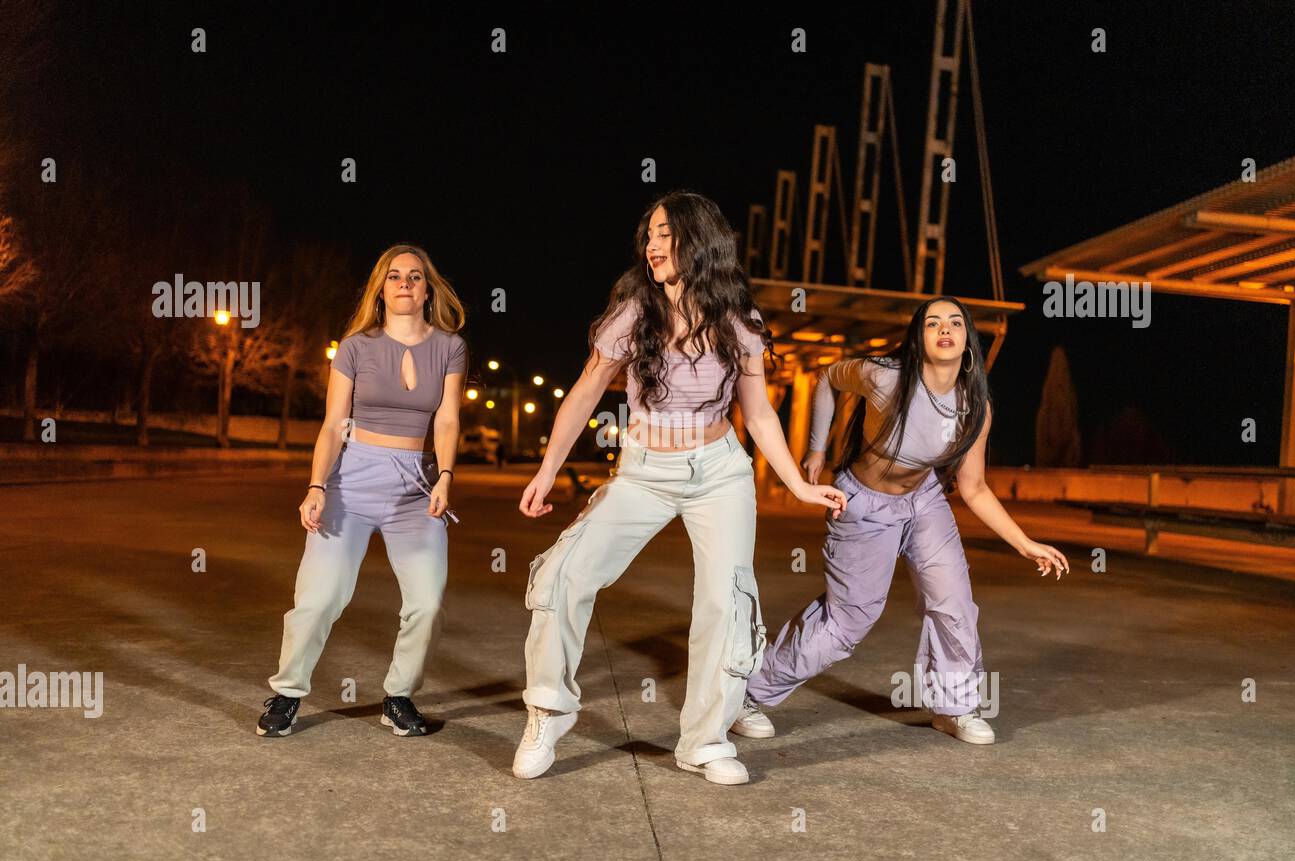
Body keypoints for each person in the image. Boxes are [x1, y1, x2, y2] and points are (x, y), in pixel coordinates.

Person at [512, 191, 846, 785]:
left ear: (700, 241)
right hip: (644, 470)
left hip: (718, 470)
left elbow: (760, 414)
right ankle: (548, 710)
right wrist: (546, 470)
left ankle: (704, 740)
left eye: (666, 233)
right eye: (649, 234)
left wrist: (795, 482)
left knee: (726, 599)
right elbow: (585, 393)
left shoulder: (738, 321)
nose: (653, 244)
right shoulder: (631, 314)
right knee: (564, 575)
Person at [733, 295, 1068, 745]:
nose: (944, 329)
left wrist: (1025, 543)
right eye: (932, 323)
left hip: (925, 502)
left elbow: (974, 488)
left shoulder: (976, 406)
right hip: (864, 506)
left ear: (967, 341)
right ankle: (749, 695)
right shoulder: (884, 377)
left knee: (954, 604)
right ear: (918, 339)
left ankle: (955, 708)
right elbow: (827, 377)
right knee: (848, 621)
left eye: (955, 322)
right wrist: (816, 447)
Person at [257, 244, 467, 738]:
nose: (405, 284)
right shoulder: (355, 347)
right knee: (320, 596)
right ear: (381, 286)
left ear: (427, 288)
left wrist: (446, 476)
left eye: (415, 277)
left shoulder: (450, 346)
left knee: (427, 601)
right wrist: (316, 486)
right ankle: (287, 693)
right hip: (352, 480)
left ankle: (398, 697)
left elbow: (450, 418)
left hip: (416, 486)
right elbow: (333, 425)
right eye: (394, 276)